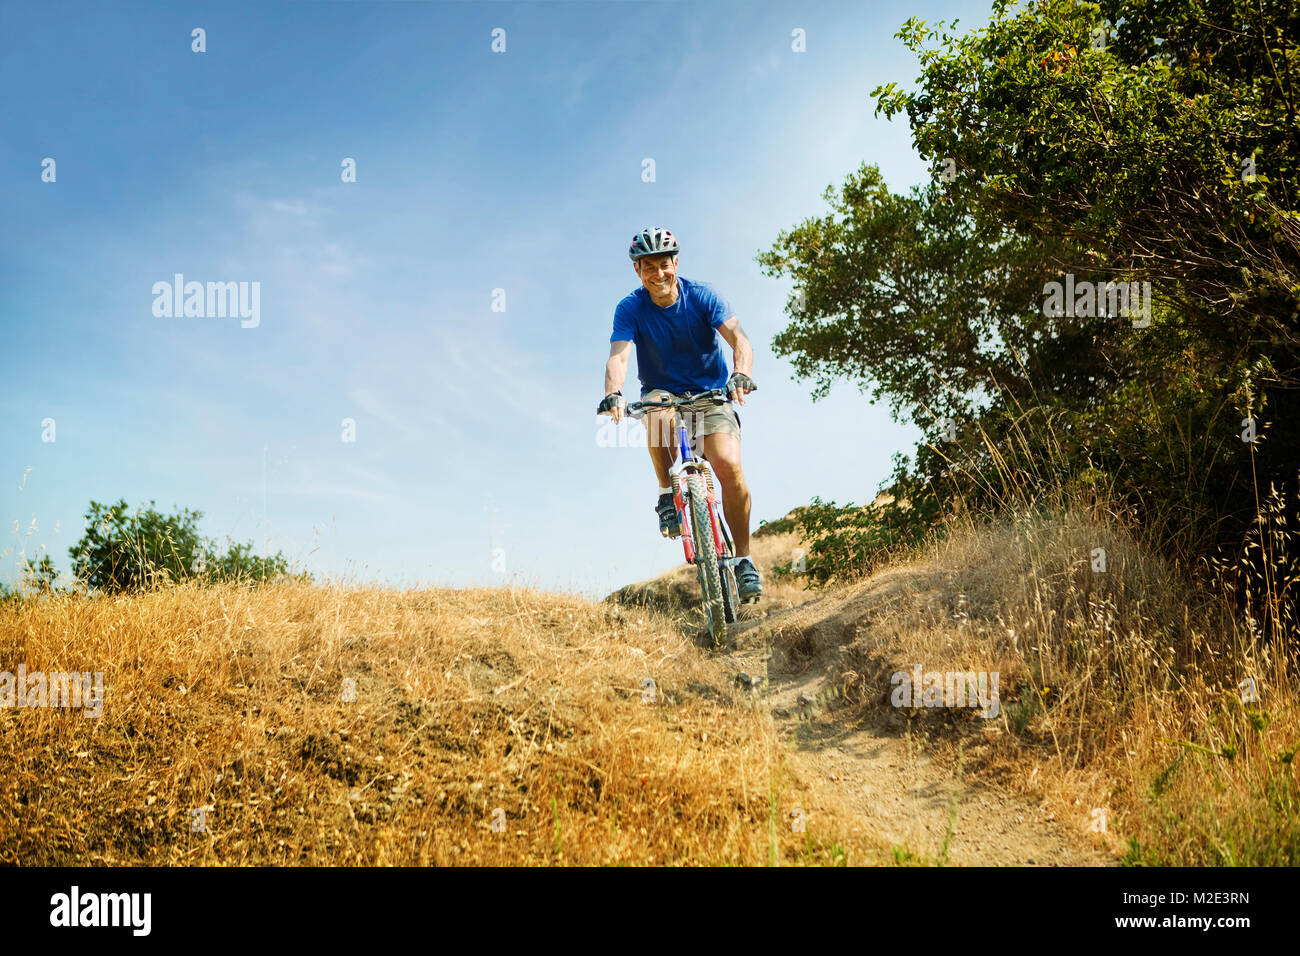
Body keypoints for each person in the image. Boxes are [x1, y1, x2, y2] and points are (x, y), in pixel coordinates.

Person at [597, 227, 763, 602]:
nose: (658, 275)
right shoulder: (630, 308)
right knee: (654, 412)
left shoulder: (703, 296)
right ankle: (667, 494)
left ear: (676, 263)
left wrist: (741, 372)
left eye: (664, 265)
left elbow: (740, 340)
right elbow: (619, 355)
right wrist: (613, 394)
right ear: (638, 272)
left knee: (727, 466)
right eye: (648, 268)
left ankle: (743, 560)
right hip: (663, 394)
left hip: (711, 395)